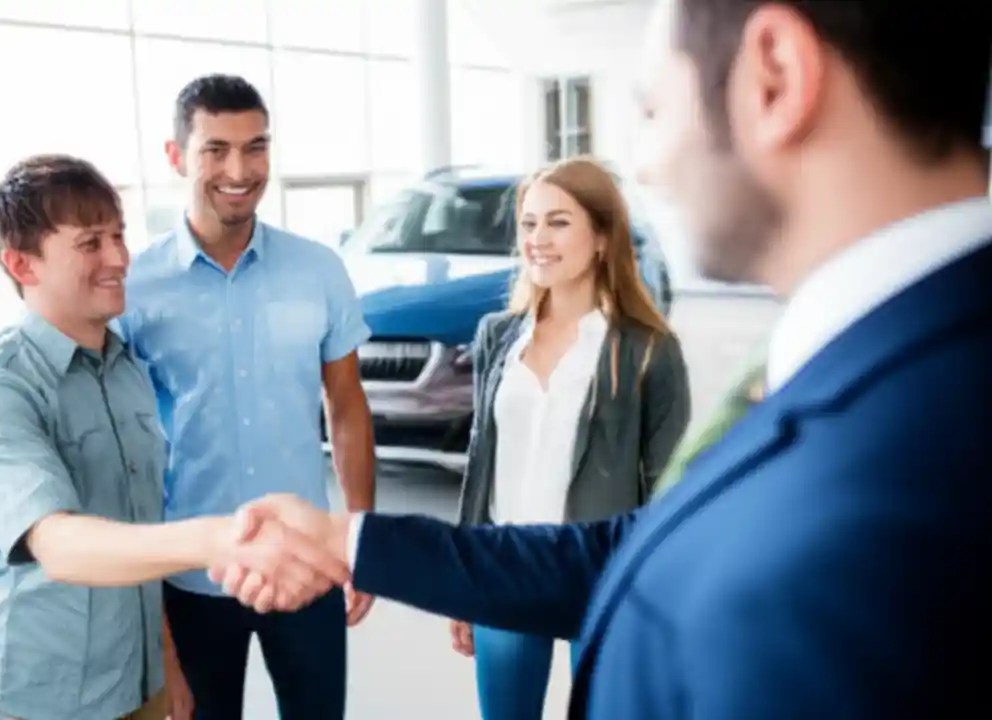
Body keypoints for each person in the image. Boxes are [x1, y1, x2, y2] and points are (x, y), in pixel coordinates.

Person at [213, 0, 992, 716]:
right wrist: (348, 541)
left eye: (653, 107)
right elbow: (648, 538)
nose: (649, 166)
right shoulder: (865, 351)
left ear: (775, 75)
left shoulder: (924, 447)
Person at [0, 155, 347, 720]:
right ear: (22, 264)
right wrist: (218, 538)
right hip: (48, 699)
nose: (119, 259)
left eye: (119, 236)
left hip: (138, 684)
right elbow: (58, 546)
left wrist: (166, 663)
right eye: (90, 243)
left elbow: (141, 525)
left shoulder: (126, 369)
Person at [118, 75, 376, 719]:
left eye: (255, 147)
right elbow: (124, 446)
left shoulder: (319, 270)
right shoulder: (134, 288)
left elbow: (346, 404)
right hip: (193, 575)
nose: (239, 169)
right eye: (216, 149)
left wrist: (364, 535)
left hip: (307, 562)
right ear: (176, 157)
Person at [448, 157, 690, 719]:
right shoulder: (497, 336)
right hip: (507, 571)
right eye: (529, 224)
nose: (538, 239)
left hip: (601, 580)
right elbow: (481, 463)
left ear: (602, 237)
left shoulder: (647, 349)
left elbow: (666, 490)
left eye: (558, 223)